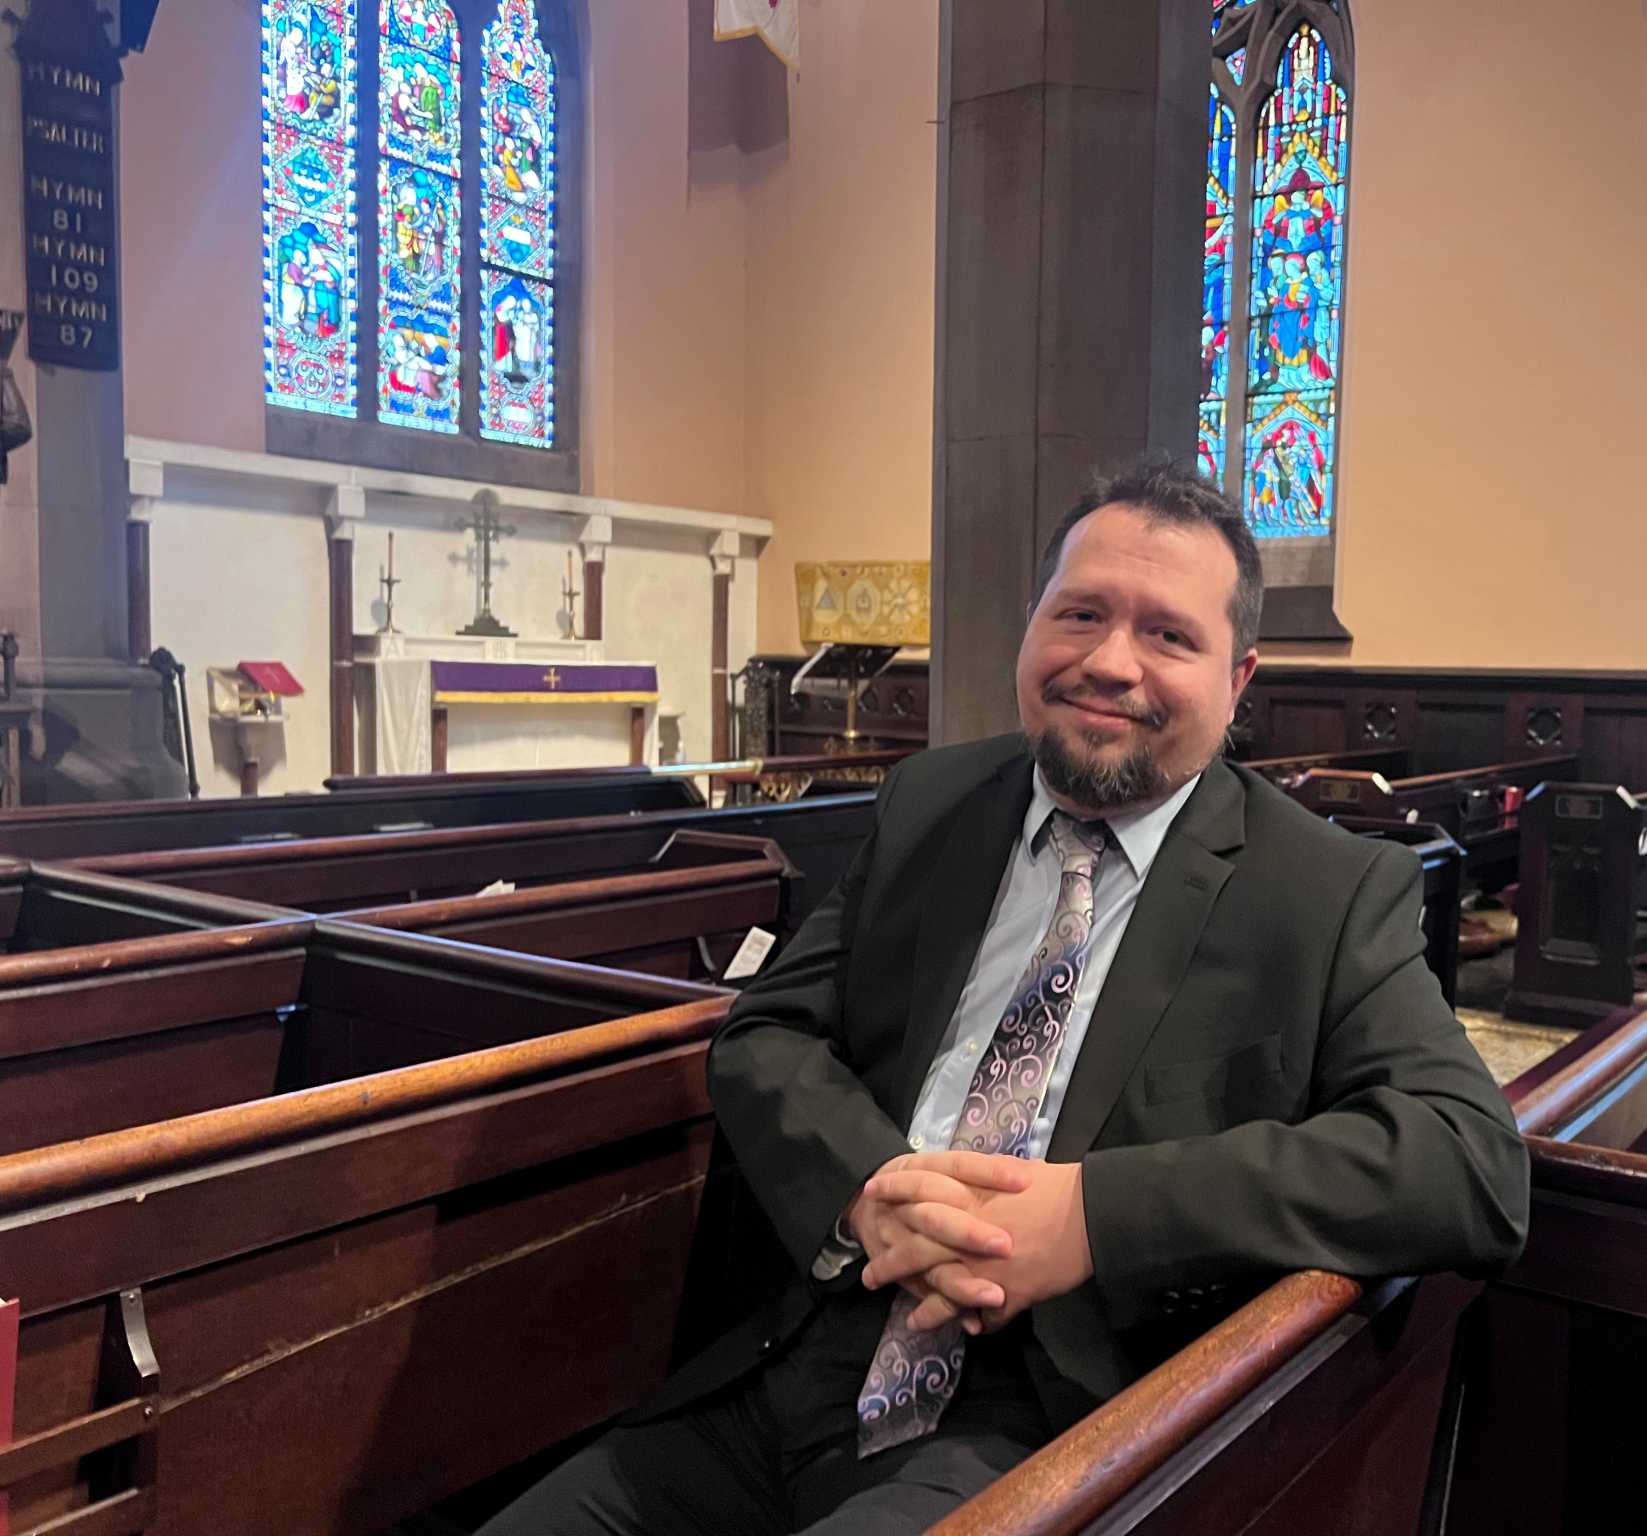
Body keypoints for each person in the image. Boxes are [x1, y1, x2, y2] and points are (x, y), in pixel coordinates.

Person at [481, 460, 1529, 1535]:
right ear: (1029, 627)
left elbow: (1467, 1165)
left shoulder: (1320, 889)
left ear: (1238, 677)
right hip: (798, 1347)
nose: (1108, 662)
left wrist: (1090, 1217)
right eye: (1078, 613)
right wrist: (867, 1183)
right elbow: (766, 1032)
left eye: (1168, 636)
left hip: (1039, 1410)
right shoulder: (932, 802)